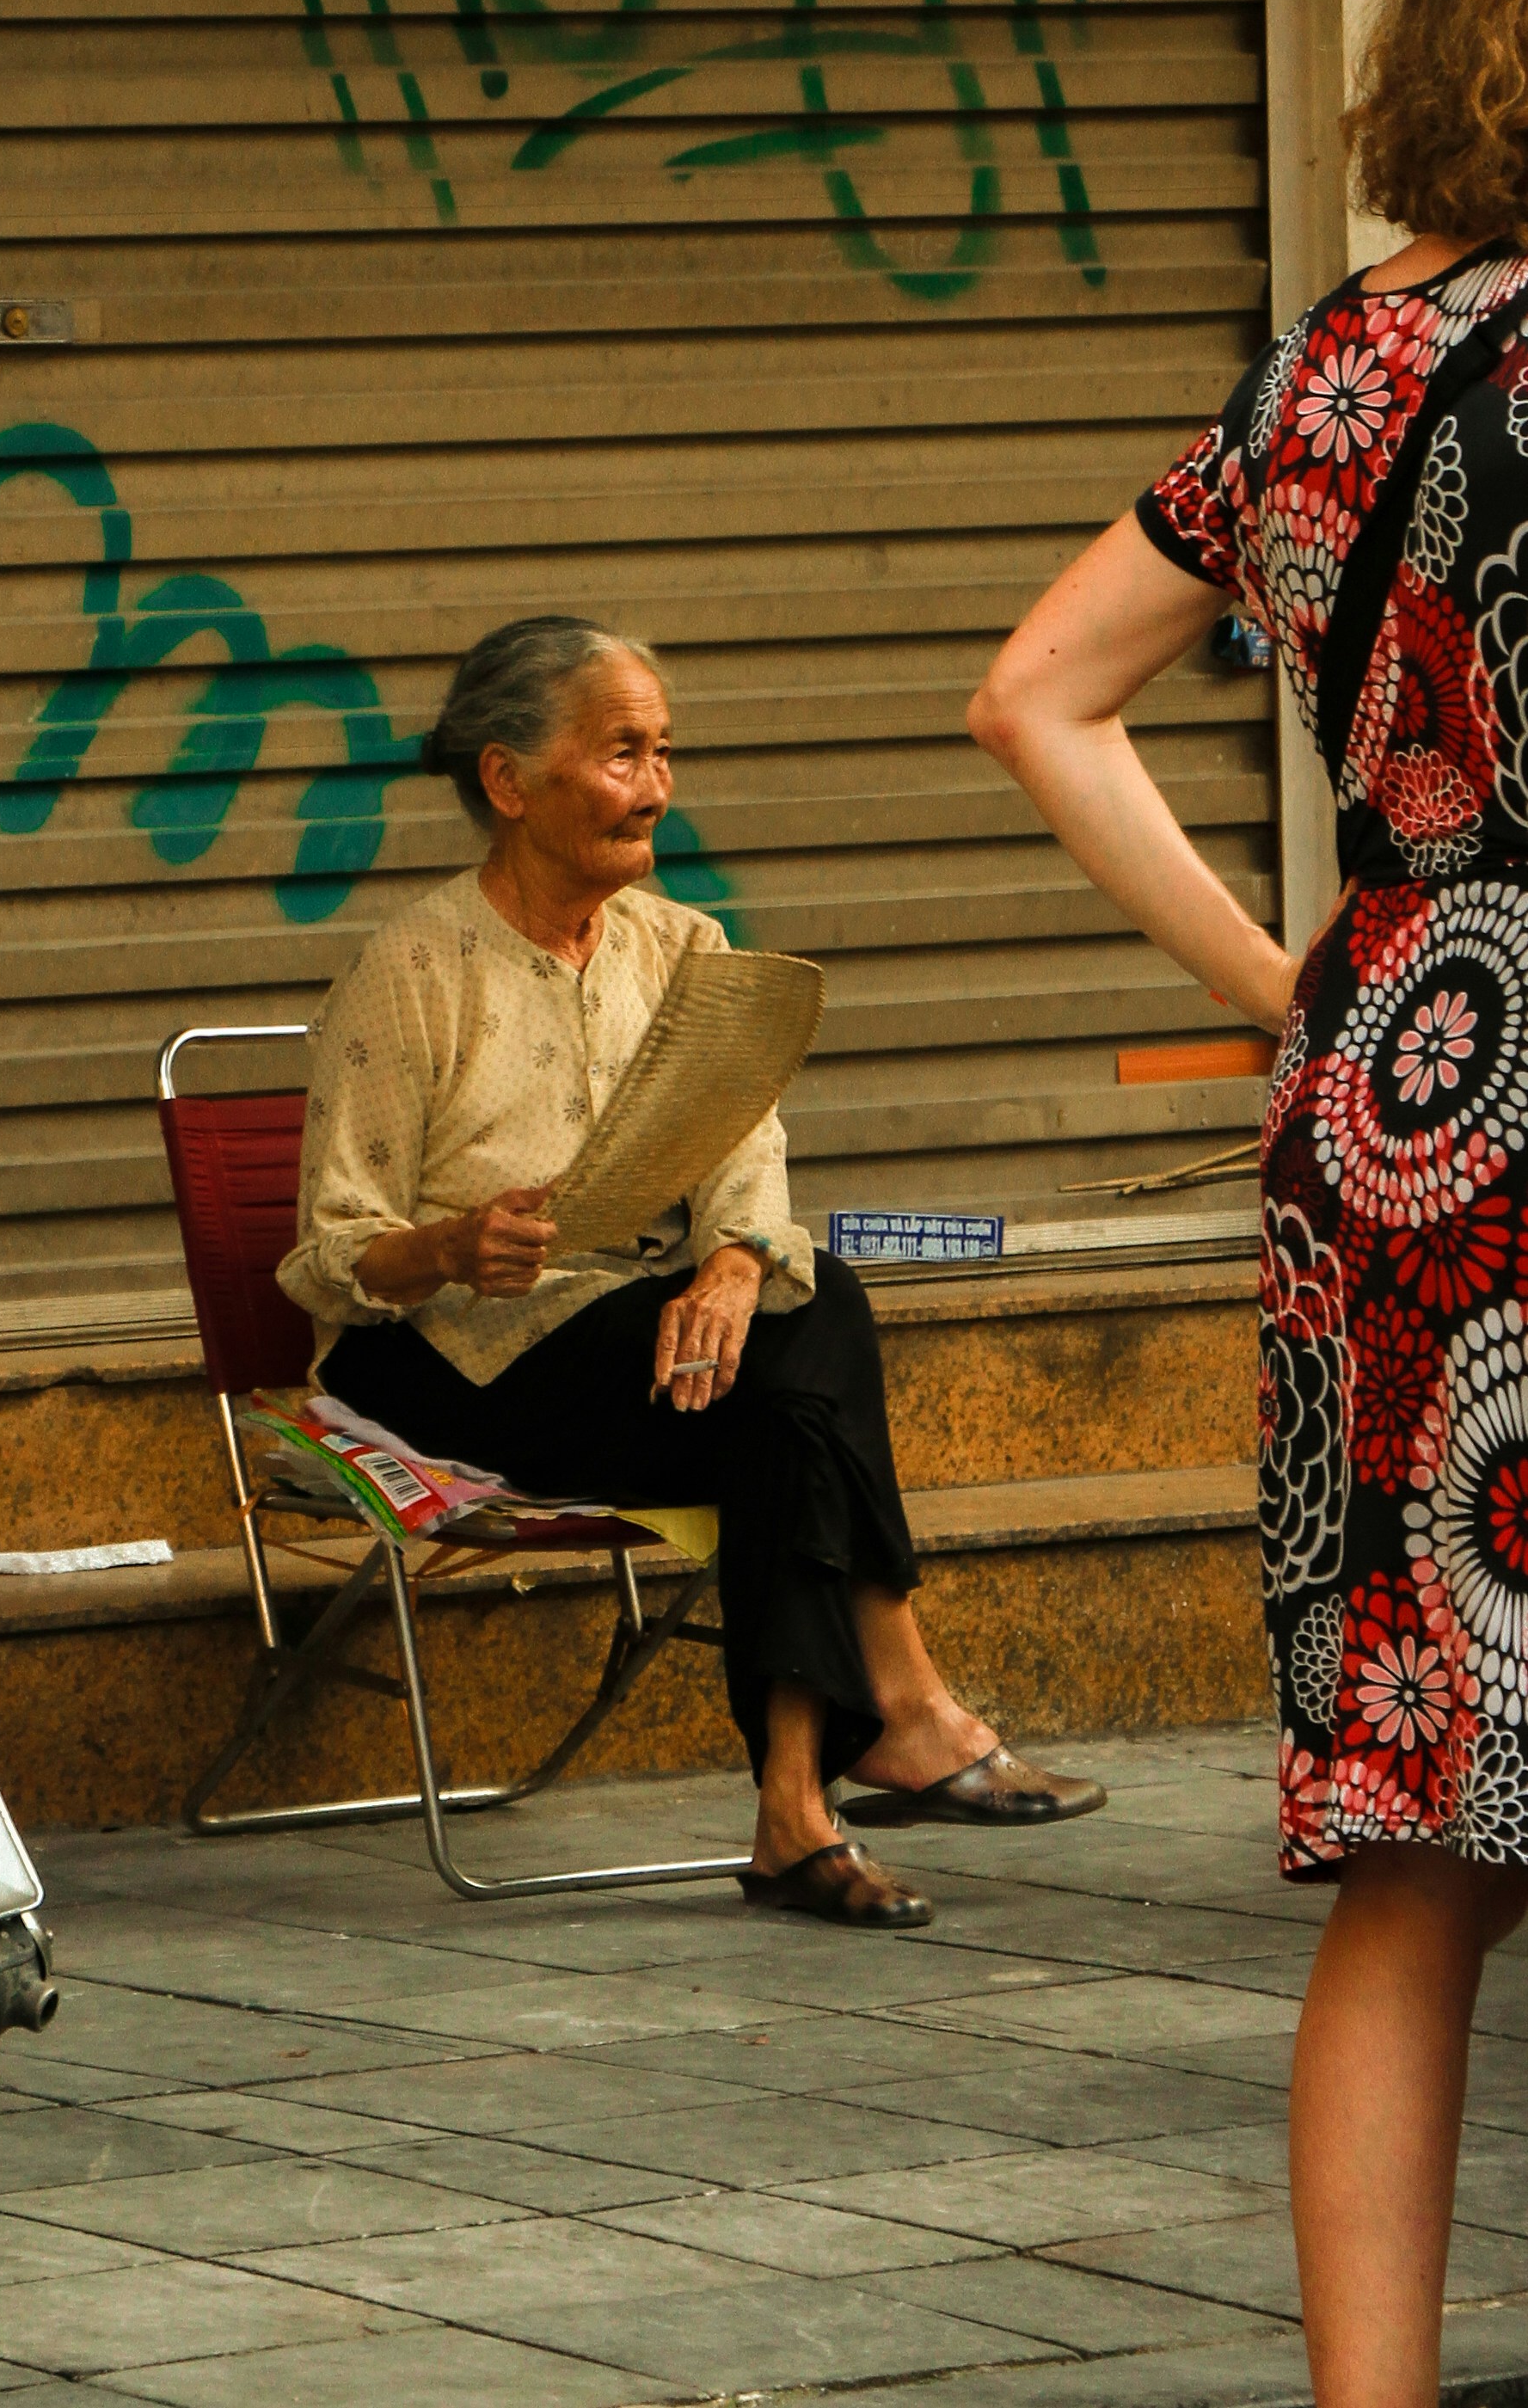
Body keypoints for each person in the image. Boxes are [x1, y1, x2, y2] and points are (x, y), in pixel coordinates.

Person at [967, 0, 1528, 2408]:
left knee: (1416, 1859)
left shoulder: (1327, 366)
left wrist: (1301, 977)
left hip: (1400, 1108)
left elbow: (1034, 697)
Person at [279, 611, 1102, 1931]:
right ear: (506, 780)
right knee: (793, 1362)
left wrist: (730, 1265)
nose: (655, 784)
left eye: (663, 750)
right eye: (621, 753)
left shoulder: (687, 947)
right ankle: (900, 1705)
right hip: (449, 1355)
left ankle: (796, 1809)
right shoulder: (410, 971)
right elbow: (328, 1257)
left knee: (791, 1339)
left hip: (645, 1336)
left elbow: (744, 1171)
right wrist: (449, 1243)